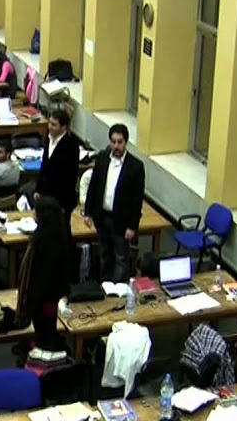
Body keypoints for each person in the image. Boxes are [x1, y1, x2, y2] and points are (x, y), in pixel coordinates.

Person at [83, 124, 145, 282]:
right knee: (104, 254)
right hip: (102, 216)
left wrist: (132, 226)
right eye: (113, 142)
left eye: (120, 142)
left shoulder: (136, 166)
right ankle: (105, 285)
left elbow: (137, 199)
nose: (116, 146)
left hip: (121, 221)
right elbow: (94, 186)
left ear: (126, 143)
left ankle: (118, 290)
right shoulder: (103, 158)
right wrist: (88, 212)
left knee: (120, 258)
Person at [12, 195, 72, 352]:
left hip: (44, 298)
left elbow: (44, 275)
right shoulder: (57, 232)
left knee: (45, 331)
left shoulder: (47, 239)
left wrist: (33, 298)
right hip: (49, 297)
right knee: (46, 328)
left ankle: (45, 359)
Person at [34, 106, 80, 213]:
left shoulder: (71, 146)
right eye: (49, 123)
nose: (50, 126)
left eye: (54, 125)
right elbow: (44, 166)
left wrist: (62, 205)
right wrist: (38, 189)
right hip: (45, 196)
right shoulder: (48, 138)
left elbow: (70, 178)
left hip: (60, 200)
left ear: (64, 127)